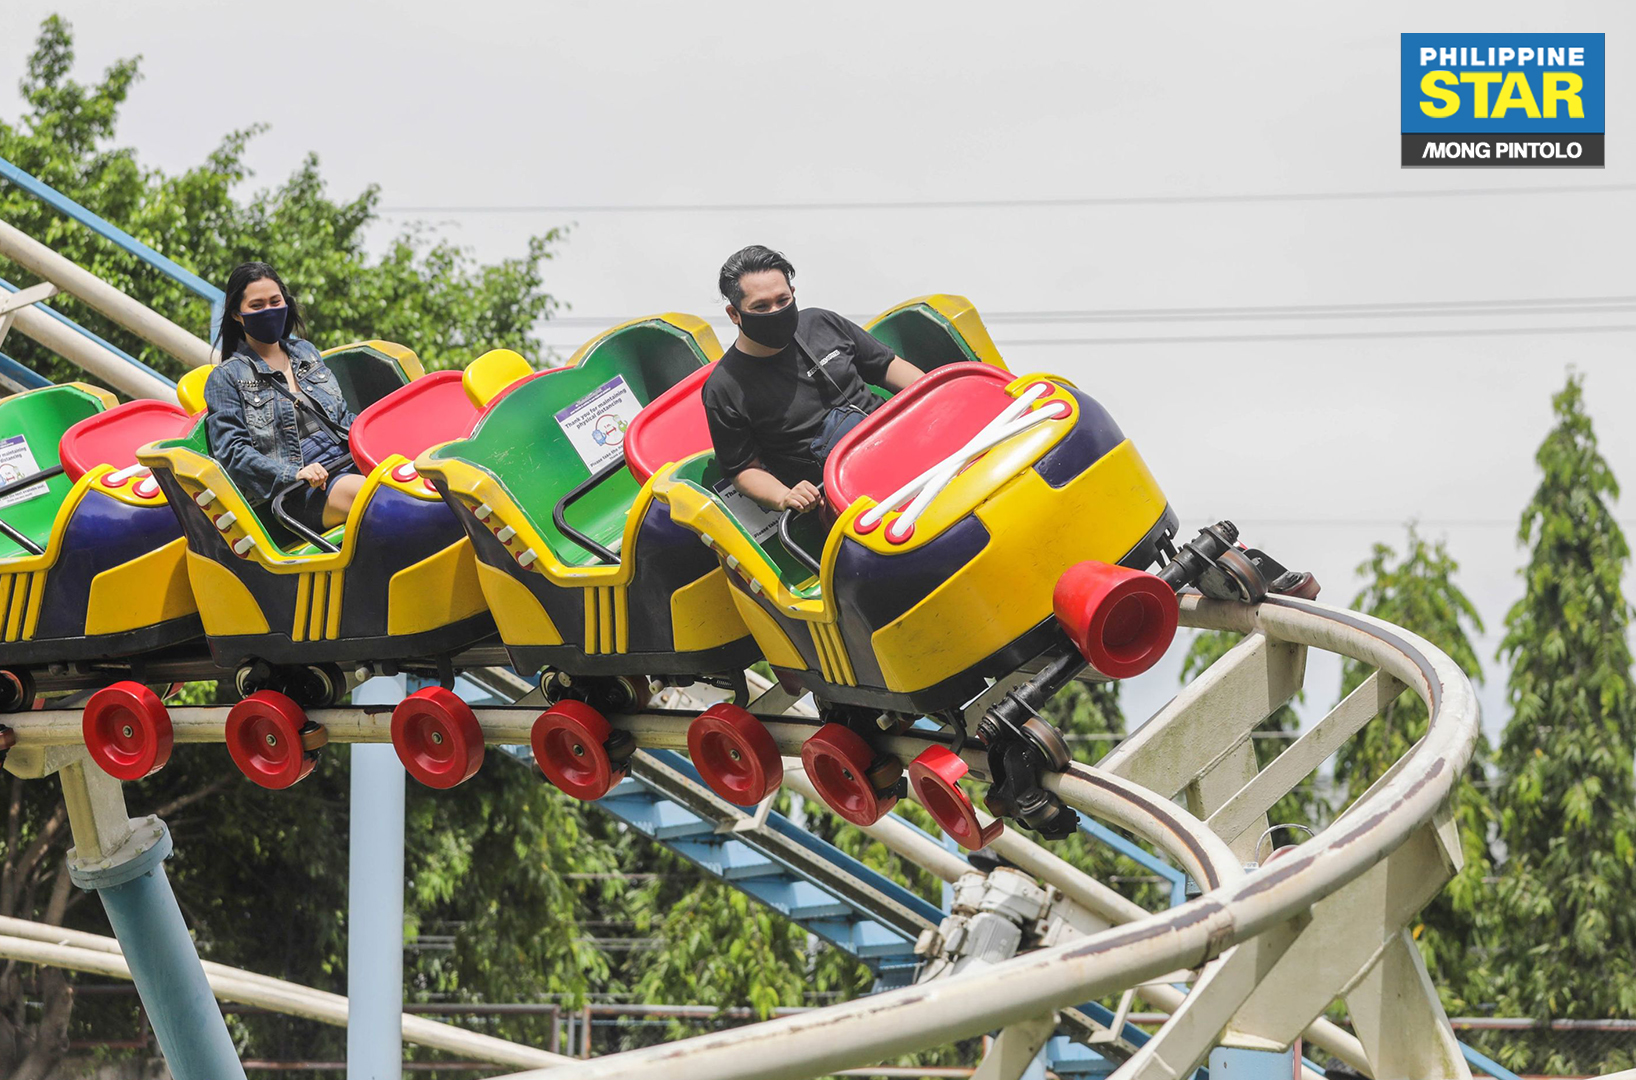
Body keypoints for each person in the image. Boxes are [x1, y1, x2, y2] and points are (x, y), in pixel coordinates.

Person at [702, 245, 925, 513]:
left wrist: (934, 402)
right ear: (734, 314)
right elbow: (743, 470)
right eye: (761, 307)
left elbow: (892, 369)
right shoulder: (724, 387)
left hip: (903, 450)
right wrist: (785, 496)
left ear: (793, 294)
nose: (775, 311)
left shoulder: (822, 322)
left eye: (782, 301)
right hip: (843, 498)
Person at [203, 262, 362, 533]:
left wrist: (371, 438)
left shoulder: (305, 352)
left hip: (347, 458)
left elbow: (341, 416)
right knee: (378, 496)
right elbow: (233, 453)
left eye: (275, 302)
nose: (269, 311)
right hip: (300, 489)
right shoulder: (227, 376)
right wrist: (293, 474)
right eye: (257, 305)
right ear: (237, 315)